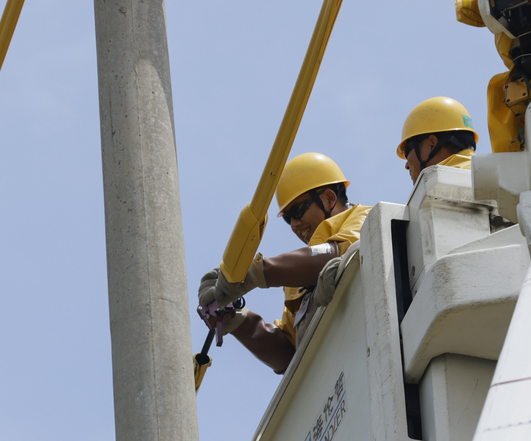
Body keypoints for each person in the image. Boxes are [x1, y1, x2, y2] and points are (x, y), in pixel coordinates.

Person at [198, 153, 370, 373]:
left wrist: (253, 272)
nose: (295, 224)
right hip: (337, 376)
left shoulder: (363, 218)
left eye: (298, 210)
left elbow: (337, 254)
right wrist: (235, 317)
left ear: (329, 198)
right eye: (289, 219)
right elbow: (288, 355)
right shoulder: (296, 282)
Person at [397, 96, 480, 183]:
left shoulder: (440, 185)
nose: (406, 166)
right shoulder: (485, 173)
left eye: (407, 151)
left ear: (432, 144)